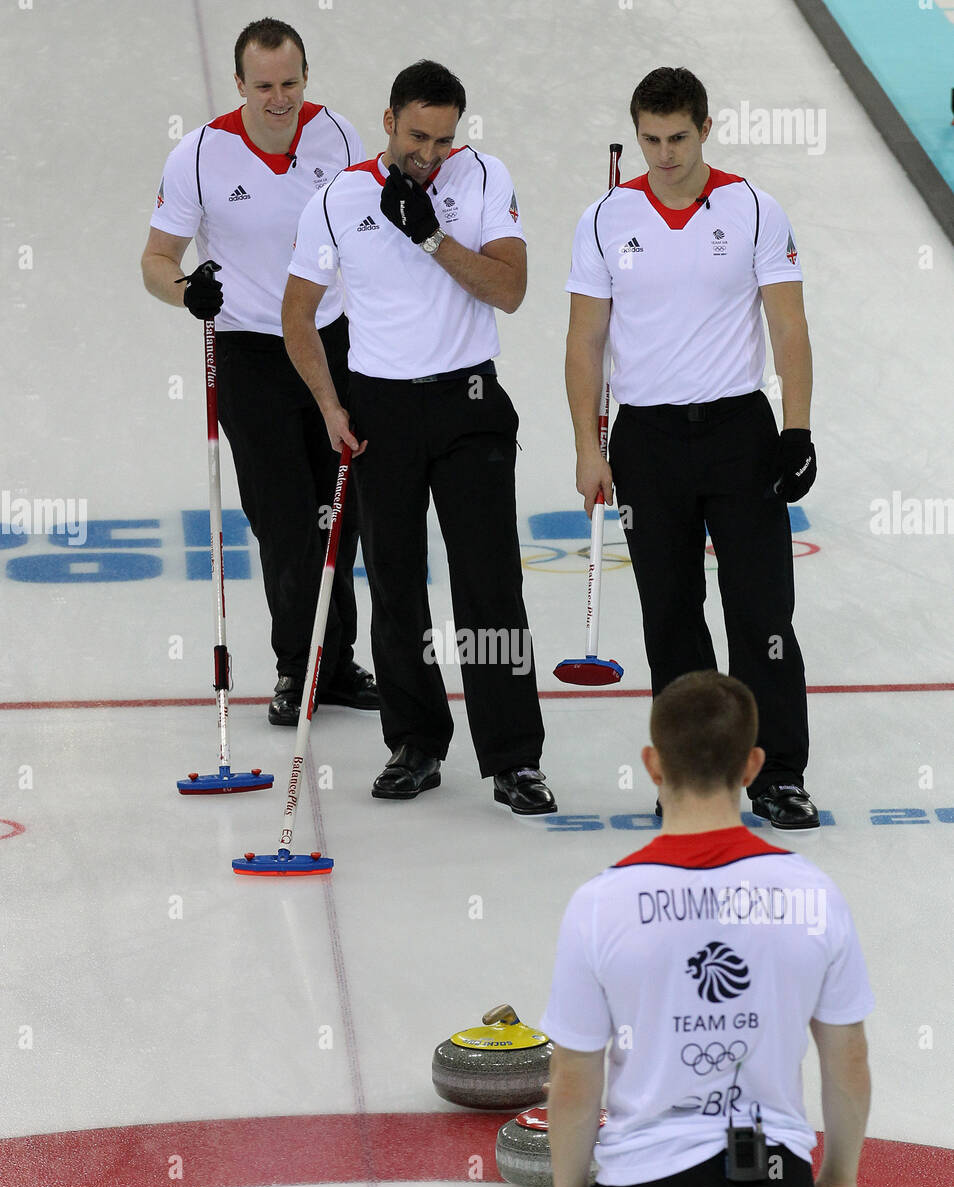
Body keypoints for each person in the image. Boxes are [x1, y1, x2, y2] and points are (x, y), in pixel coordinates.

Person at [541, 670, 873, 1187]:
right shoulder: (812, 894)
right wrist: (837, 1178)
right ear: (752, 765)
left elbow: (575, 1077)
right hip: (771, 1186)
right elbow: (847, 1060)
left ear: (652, 763)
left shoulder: (601, 905)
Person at [282, 59, 555, 814]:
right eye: (415, 136)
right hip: (380, 413)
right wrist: (331, 407)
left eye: (442, 139)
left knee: (490, 588)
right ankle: (415, 743)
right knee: (397, 586)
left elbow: (512, 289)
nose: (428, 155)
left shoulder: (484, 180)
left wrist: (431, 236)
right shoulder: (337, 200)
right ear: (388, 121)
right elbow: (298, 313)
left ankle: (513, 759)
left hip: (470, 405)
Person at [565, 66, 818, 830]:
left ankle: (778, 774)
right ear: (636, 133)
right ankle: (688, 775)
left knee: (761, 613)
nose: (664, 155)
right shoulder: (605, 218)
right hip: (647, 441)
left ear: (706, 129)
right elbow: (584, 341)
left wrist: (797, 429)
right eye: (650, 140)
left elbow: (789, 327)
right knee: (671, 617)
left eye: (678, 138)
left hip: (740, 433)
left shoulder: (753, 209)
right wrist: (587, 446)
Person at [141, 17, 377, 725]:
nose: (280, 100)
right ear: (240, 84)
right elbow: (156, 260)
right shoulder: (200, 155)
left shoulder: (338, 138)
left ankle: (335, 666)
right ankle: (293, 668)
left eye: (292, 84)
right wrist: (189, 292)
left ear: (307, 78)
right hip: (251, 355)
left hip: (334, 349)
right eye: (265, 86)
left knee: (339, 514)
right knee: (282, 522)